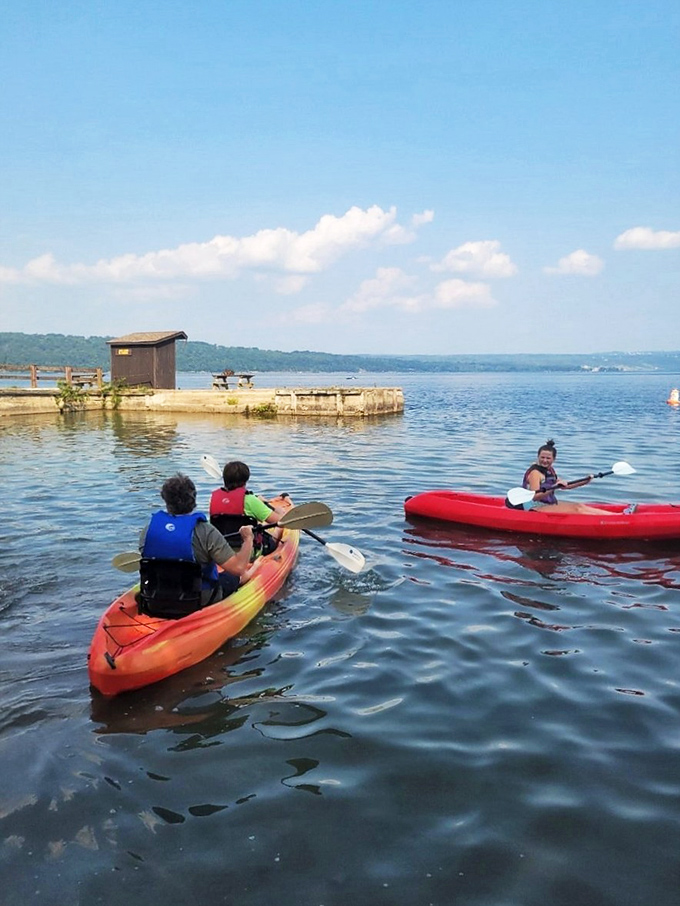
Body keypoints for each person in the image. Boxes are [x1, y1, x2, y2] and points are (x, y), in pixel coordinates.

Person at [139, 473, 257, 617]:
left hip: (155, 599)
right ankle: (254, 571)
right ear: (193, 499)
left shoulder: (148, 530)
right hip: (196, 601)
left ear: (165, 499)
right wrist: (248, 539)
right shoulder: (206, 531)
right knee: (232, 577)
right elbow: (238, 568)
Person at [209, 460, 285, 556]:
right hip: (247, 552)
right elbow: (279, 522)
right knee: (277, 530)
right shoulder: (250, 500)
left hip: (221, 551)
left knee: (258, 523)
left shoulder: (213, 498)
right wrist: (279, 512)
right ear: (245, 480)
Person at [519, 439, 613, 516]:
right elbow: (534, 497)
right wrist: (553, 487)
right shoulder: (535, 473)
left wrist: (585, 480)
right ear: (538, 457)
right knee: (577, 509)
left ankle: (617, 516)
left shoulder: (550, 470)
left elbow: (566, 486)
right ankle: (614, 519)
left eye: (548, 458)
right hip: (534, 507)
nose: (545, 460)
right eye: (542, 457)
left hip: (546, 504)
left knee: (579, 505)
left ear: (554, 459)